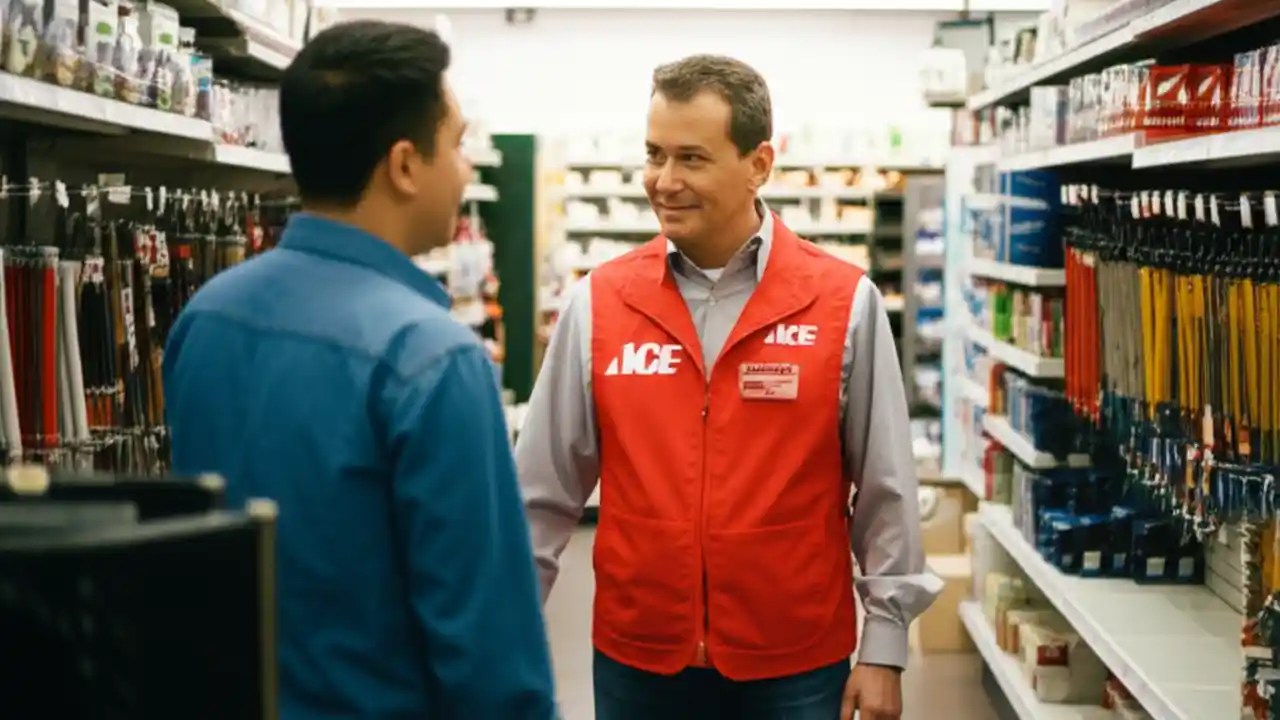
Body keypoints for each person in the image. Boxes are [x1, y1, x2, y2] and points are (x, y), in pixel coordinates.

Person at [516, 54, 940, 720]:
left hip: (795, 664)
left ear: (759, 164)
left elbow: (886, 488)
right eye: (654, 155)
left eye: (691, 158)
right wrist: (504, 632)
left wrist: (884, 647)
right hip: (639, 660)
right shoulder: (600, 303)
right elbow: (540, 492)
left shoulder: (842, 303)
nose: (664, 181)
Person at [163, 21, 557, 720]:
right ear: (404, 165)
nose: (466, 170)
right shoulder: (432, 358)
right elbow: (489, 655)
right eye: (457, 144)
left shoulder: (206, 317)